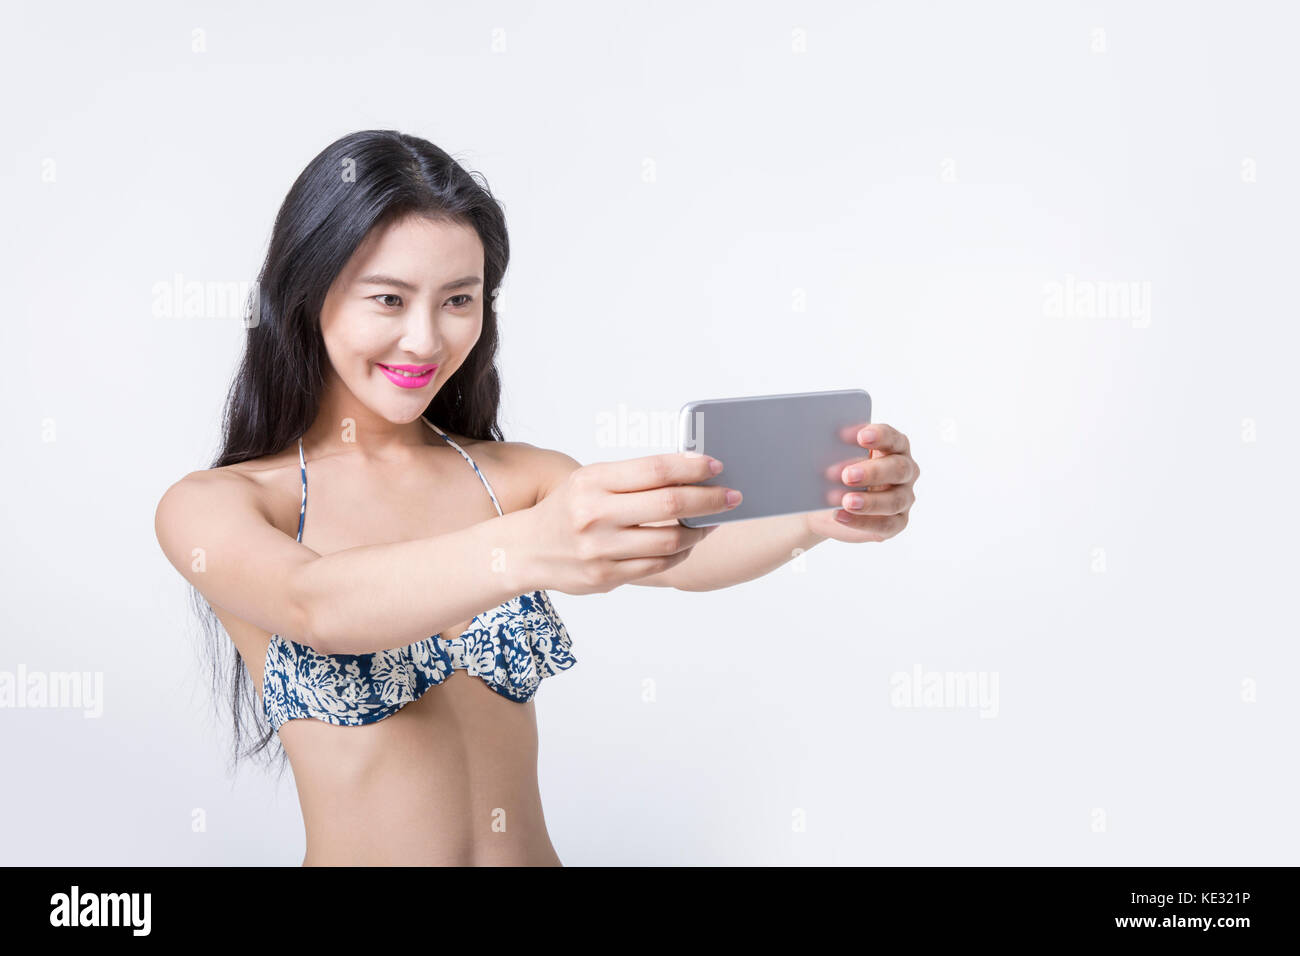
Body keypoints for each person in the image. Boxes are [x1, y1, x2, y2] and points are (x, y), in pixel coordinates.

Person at [153, 129, 920, 866]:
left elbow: (685, 552)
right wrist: (533, 544)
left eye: (459, 299)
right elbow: (314, 606)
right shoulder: (220, 506)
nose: (425, 340)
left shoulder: (513, 478)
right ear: (305, 294)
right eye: (388, 299)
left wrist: (818, 515)